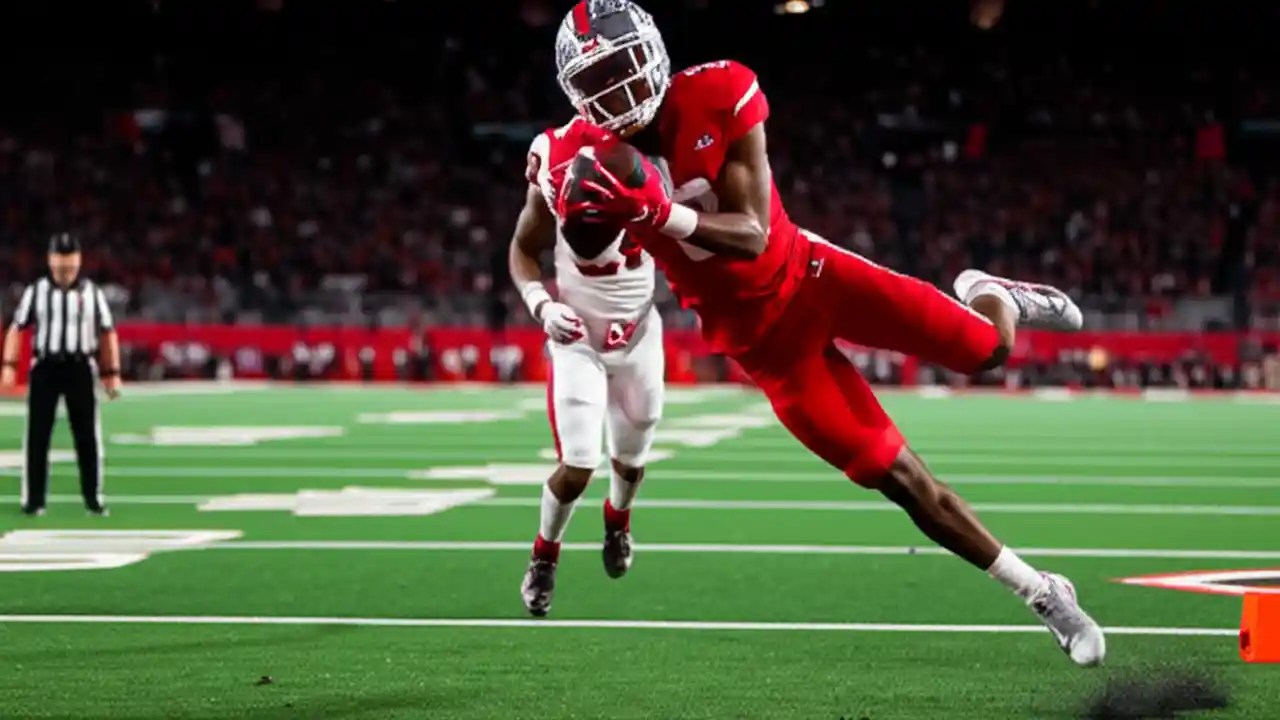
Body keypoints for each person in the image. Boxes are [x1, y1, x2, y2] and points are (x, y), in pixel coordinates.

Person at [547, 0, 1105, 665]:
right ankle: (1042, 592)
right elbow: (587, 251)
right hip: (767, 350)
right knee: (898, 479)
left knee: (989, 349)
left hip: (814, 277)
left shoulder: (719, 92)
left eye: (624, 69)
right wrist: (584, 212)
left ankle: (991, 292)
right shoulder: (579, 155)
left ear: (654, 53)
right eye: (599, 80)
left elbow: (751, 236)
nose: (618, 91)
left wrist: (657, 211)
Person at [509, 117, 665, 616]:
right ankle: (544, 555)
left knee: (631, 459)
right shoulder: (552, 156)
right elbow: (522, 247)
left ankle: (618, 519)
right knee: (578, 464)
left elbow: (691, 248)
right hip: (577, 336)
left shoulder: (654, 162)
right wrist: (542, 305)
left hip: (638, 332)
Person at [0, 233, 122, 516]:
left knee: (87, 436)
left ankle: (93, 497)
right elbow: (17, 328)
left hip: (80, 367)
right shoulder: (37, 291)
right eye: (59, 267)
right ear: (50, 262)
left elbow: (107, 332)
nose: (64, 273)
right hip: (45, 367)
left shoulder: (92, 293)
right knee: (37, 436)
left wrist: (111, 372)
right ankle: (34, 499)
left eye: (69, 267)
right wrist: (8, 366)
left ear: (78, 263)